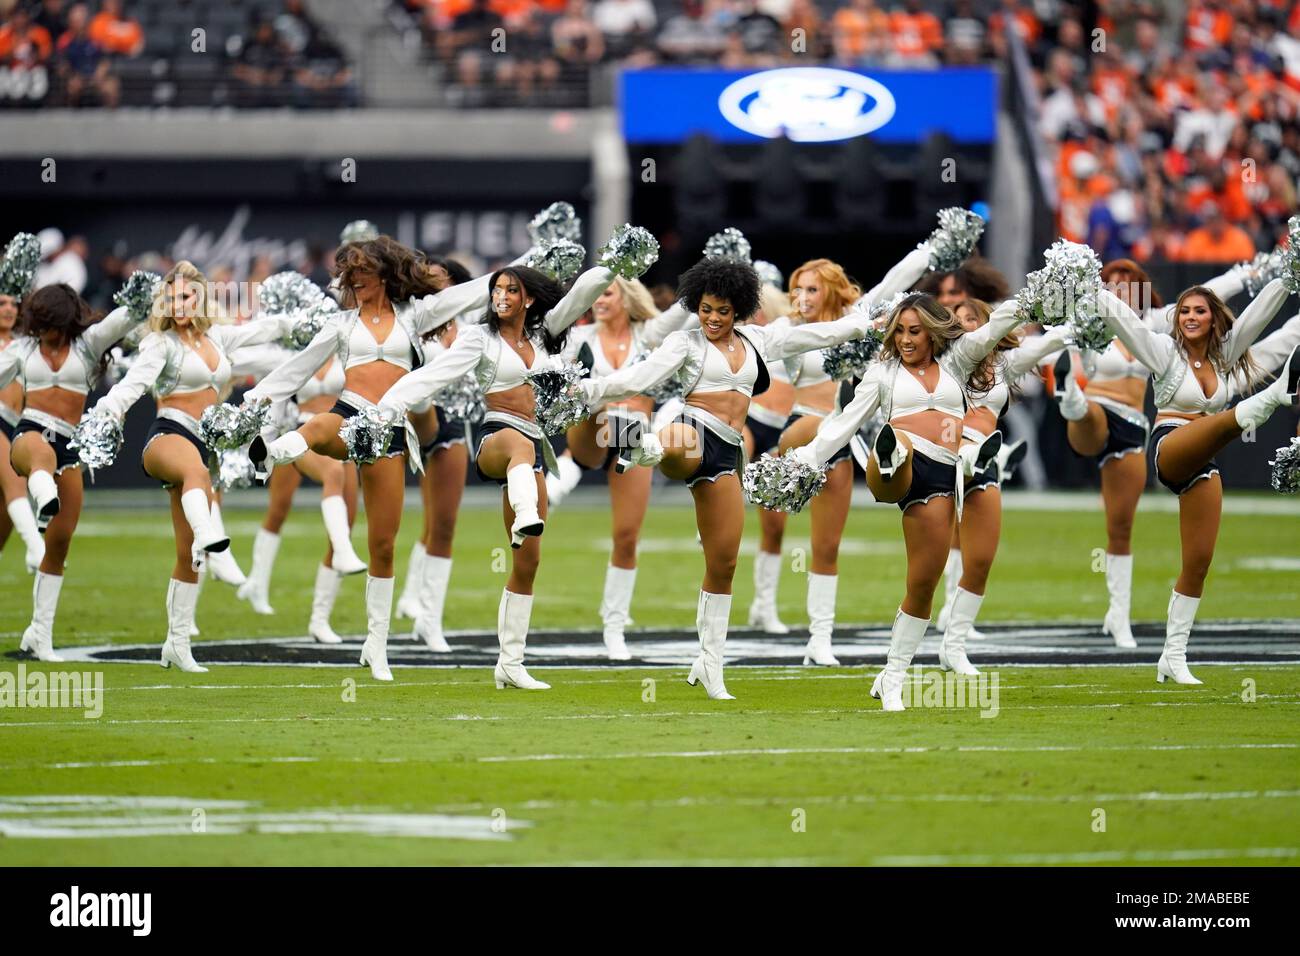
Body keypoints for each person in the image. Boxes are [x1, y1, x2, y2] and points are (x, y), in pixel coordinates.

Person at [575, 257, 879, 699]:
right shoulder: (684, 344)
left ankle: (709, 663)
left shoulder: (759, 339)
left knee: (724, 562)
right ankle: (646, 446)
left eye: (722, 310)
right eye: (705, 309)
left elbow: (814, 334)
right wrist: (585, 390)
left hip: (727, 454)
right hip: (692, 431)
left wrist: (863, 327)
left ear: (738, 308)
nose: (713, 319)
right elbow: (634, 380)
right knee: (678, 439)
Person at [243, 236, 499, 681]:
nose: (355, 280)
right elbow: (297, 369)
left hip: (390, 429)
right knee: (321, 426)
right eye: (350, 273)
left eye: (362, 272)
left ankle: (375, 644)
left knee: (383, 544)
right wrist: (254, 401)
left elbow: (471, 291)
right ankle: (274, 452)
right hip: (349, 411)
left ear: (383, 273)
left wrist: (528, 266)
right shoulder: (342, 324)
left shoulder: (414, 315)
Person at [376, 262, 619, 689]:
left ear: (528, 298)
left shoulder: (544, 334)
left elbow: (581, 294)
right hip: (495, 440)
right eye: (496, 289)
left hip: (533, 446)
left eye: (511, 289)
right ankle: (527, 510)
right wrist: (387, 406)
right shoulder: (478, 338)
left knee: (528, 561)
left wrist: (612, 264)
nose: (501, 296)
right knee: (518, 447)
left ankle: (510, 661)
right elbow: (432, 377)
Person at [792, 293, 1028, 710]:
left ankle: (893, 675)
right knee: (895, 446)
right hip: (900, 467)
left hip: (940, 477)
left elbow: (996, 326)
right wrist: (804, 461)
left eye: (914, 331)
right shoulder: (882, 374)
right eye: (898, 331)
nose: (904, 339)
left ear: (934, 332)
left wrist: (1036, 298)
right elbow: (842, 424)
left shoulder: (957, 361)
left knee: (922, 584)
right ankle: (888, 453)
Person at [88, 263, 294, 672]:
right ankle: (212, 538)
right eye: (172, 298)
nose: (179, 305)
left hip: (203, 445)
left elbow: (266, 330)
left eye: (186, 296)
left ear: (199, 298)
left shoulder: (218, 336)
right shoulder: (159, 344)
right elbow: (131, 386)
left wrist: (303, 323)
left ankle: (177, 644)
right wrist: (107, 410)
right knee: (197, 480)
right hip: (166, 437)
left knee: (187, 556)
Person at [1095, 279, 1295, 684]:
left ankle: (1173, 656)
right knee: (1228, 419)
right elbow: (1123, 321)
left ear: (1213, 318)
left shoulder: (1224, 357)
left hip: (1204, 458)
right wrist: (1086, 284)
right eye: (1184, 311)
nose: (1190, 317)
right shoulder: (1163, 351)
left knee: (1199, 563)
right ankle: (1275, 395)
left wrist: (1289, 277)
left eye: (1199, 311)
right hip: (1171, 446)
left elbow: (1259, 316)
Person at [1, 285, 145, 661]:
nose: (47, 333)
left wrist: (148, 292)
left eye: (53, 325)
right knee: (39, 457)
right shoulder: (22, 349)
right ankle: (44, 496)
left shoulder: (87, 344)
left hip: (72, 443)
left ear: (65, 321)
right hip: (29, 432)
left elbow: (125, 317)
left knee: (60, 543)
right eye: (41, 325)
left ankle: (39, 634)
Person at [0, 287, 44, 574]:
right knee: (16, 487)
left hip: (16, 423)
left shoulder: (24, 345)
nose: (8, 309)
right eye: (1, 303)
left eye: (13, 304)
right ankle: (39, 551)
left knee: (5, 511)